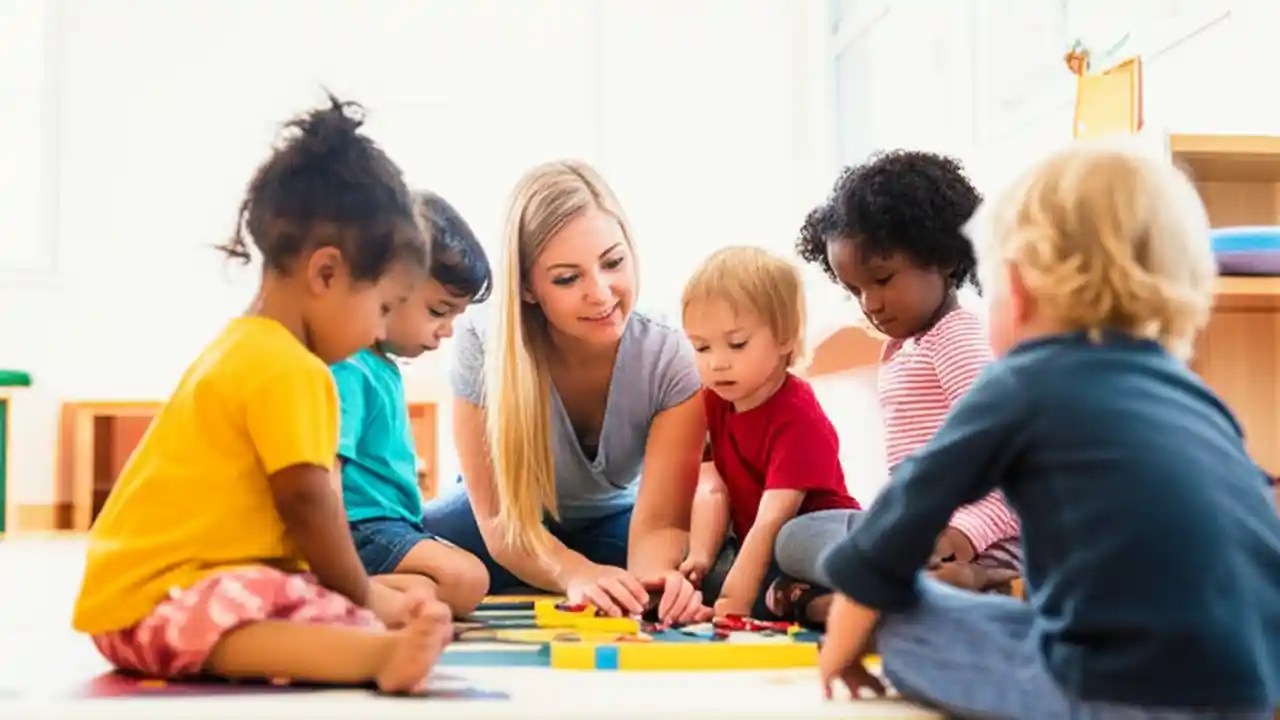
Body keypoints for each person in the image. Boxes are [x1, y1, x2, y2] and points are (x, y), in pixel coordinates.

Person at [818, 139, 1280, 718]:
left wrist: (844, 637)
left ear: (1017, 287)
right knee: (1014, 619)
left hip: (1113, 695)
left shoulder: (1023, 380)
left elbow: (909, 504)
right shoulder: (1193, 395)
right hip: (1250, 690)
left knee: (904, 618)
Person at [71, 97, 454, 694]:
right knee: (322, 604)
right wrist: (365, 597)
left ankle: (365, 634)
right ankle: (373, 658)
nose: (380, 333)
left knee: (329, 596)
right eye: (381, 309)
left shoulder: (245, 346)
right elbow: (308, 502)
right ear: (325, 275)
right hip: (155, 602)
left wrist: (366, 593)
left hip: (156, 594)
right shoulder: (289, 369)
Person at [420, 160, 708, 624]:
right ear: (530, 289)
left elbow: (660, 523)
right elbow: (498, 522)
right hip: (507, 526)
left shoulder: (670, 355)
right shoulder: (482, 339)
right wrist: (573, 572)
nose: (600, 293)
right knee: (399, 550)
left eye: (613, 262)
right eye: (567, 278)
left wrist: (652, 583)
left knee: (710, 570)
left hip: (618, 524)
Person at [771, 150, 1021, 625]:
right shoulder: (904, 347)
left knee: (797, 546)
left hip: (980, 541)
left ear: (944, 257)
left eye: (882, 280)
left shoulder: (959, 339)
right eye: (855, 290)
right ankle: (888, 599)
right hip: (923, 537)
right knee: (794, 546)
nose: (870, 304)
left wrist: (959, 536)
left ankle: (944, 585)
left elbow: (1008, 464)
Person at [677, 246, 861, 619]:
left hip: (823, 530)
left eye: (737, 343)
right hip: (768, 553)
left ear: (785, 338)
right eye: (701, 346)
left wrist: (732, 605)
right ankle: (826, 606)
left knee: (788, 543)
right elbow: (711, 489)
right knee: (721, 573)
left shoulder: (796, 411)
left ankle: (897, 568)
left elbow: (772, 517)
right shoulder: (712, 402)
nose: (717, 362)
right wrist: (698, 557)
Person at [334, 190, 493, 618]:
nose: (446, 331)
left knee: (439, 584)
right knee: (467, 579)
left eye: (455, 318)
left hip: (389, 525)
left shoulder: (380, 366)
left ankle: (348, 596)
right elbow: (328, 469)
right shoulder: (348, 364)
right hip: (359, 530)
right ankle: (325, 590)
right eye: (439, 310)